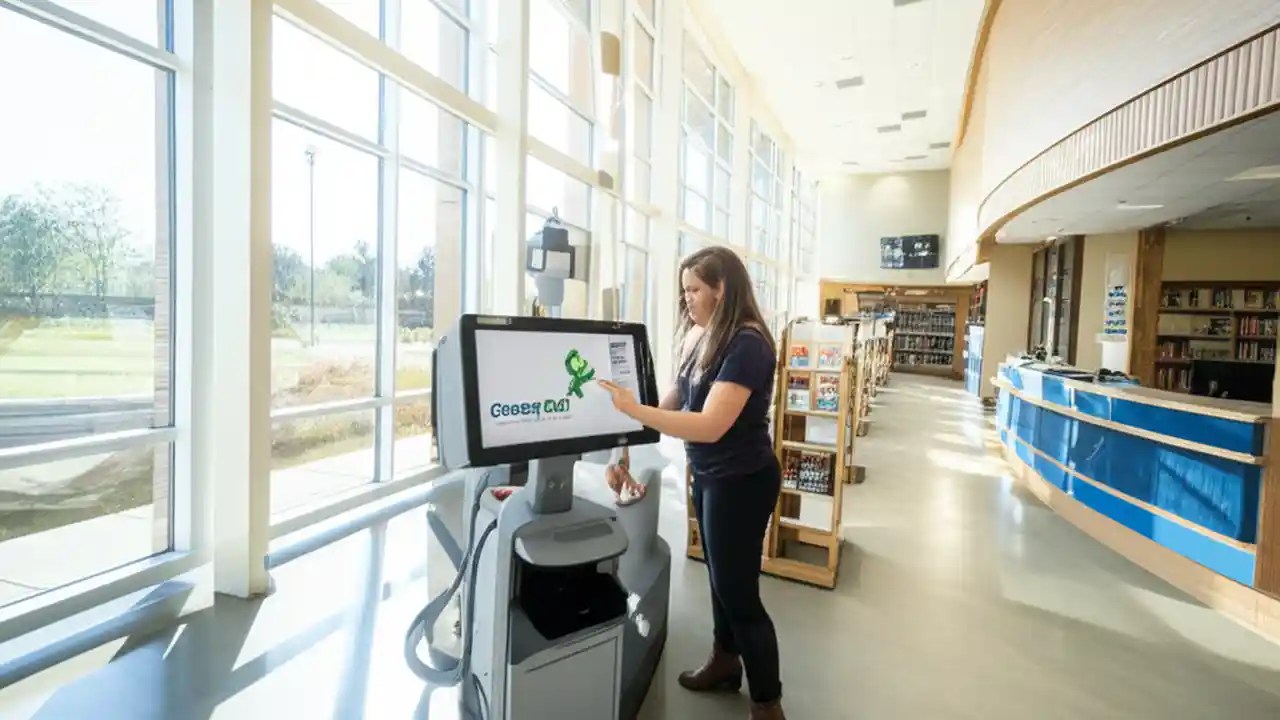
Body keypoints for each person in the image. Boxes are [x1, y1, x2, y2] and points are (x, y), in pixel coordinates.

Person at [598, 246, 785, 720]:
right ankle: (725, 661)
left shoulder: (748, 344)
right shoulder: (701, 337)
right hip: (710, 476)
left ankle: (767, 703)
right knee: (721, 580)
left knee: (739, 593)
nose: (688, 301)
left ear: (723, 290)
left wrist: (630, 409)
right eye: (684, 292)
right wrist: (622, 450)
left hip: (742, 481)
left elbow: (708, 424)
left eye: (694, 290)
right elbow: (670, 404)